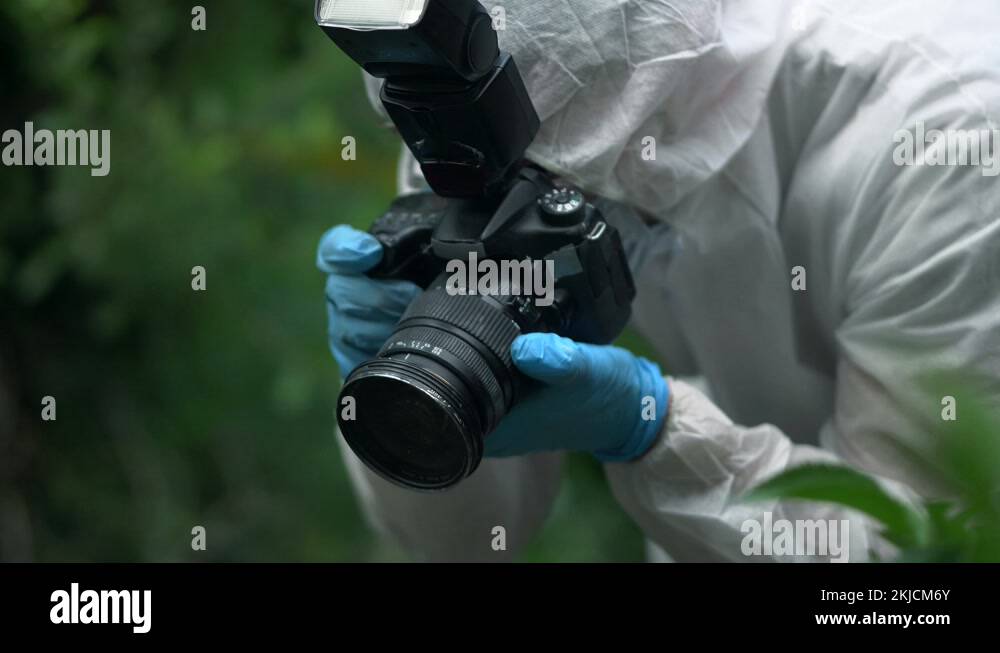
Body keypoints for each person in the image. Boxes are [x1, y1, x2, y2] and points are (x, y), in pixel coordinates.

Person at [316, 0, 1000, 561]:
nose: (510, 196)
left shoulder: (942, 141)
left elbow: (924, 574)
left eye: (551, 181)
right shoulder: (495, 116)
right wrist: (403, 375)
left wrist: (659, 436)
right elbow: (467, 546)